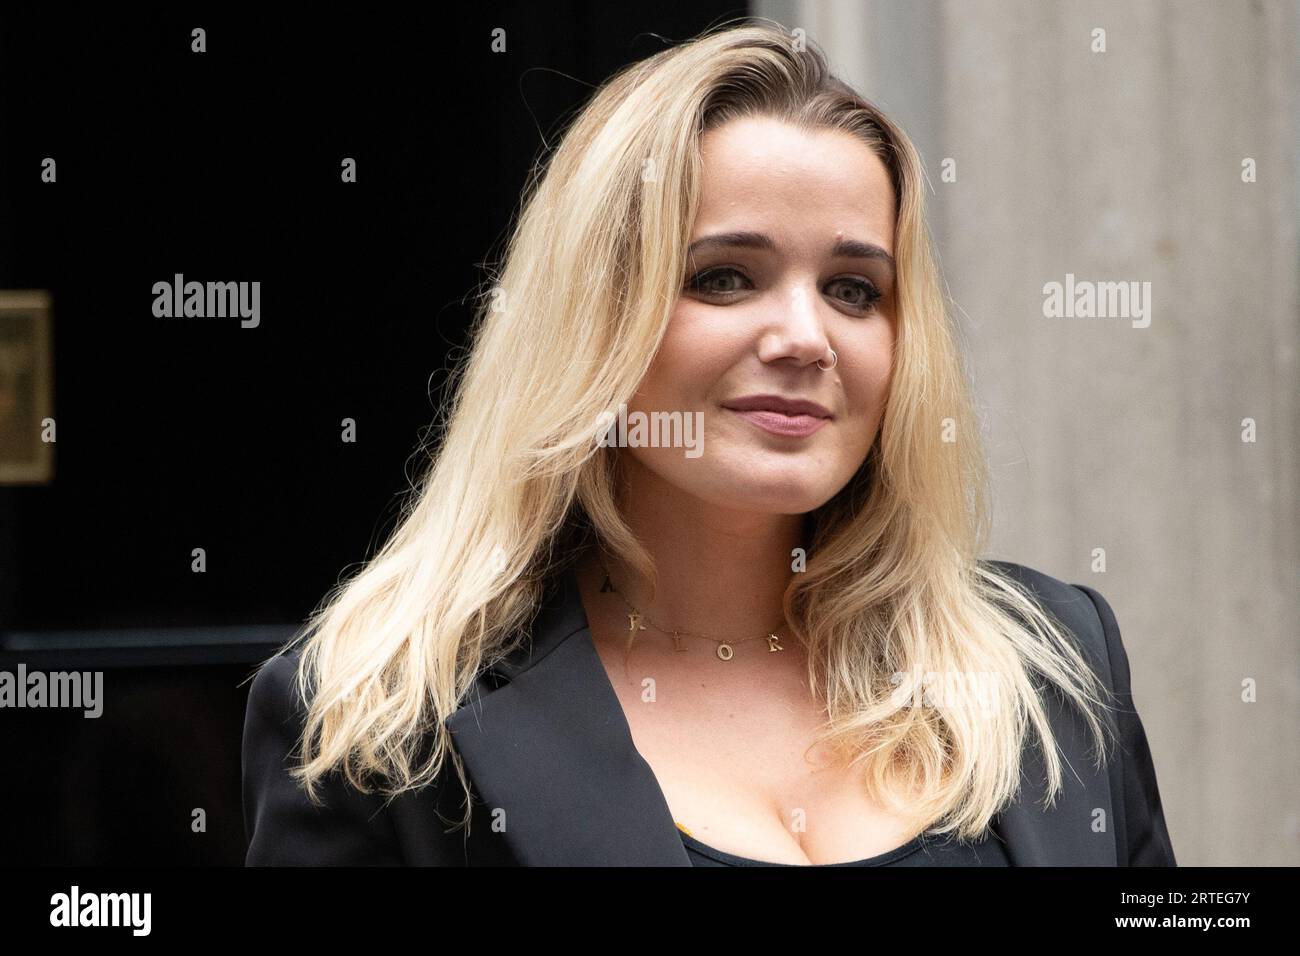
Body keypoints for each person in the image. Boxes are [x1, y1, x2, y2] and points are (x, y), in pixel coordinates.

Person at [242, 20, 1175, 867]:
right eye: (726, 277)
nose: (806, 337)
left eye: (855, 290)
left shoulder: (1053, 662)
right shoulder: (386, 725)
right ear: (593, 319)